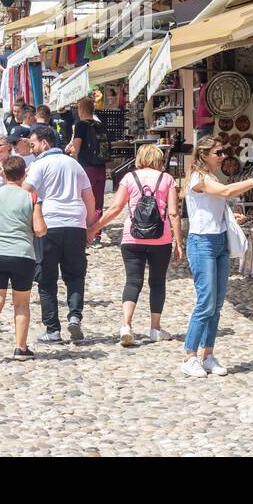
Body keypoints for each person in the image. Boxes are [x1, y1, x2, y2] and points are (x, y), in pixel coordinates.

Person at [181, 135, 253, 378]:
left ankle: (208, 354)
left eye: (222, 152)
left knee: (217, 304)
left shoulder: (210, 177)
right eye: (218, 153)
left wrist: (230, 217)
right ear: (204, 156)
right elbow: (227, 191)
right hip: (202, 244)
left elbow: (215, 202)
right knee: (206, 302)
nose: (222, 157)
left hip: (218, 241)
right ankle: (189, 355)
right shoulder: (199, 178)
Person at [91, 142, 182, 346]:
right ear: (157, 159)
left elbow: (115, 208)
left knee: (133, 281)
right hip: (161, 238)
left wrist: (95, 228)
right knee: (157, 282)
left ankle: (126, 325)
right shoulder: (167, 179)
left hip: (132, 237)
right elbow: (174, 213)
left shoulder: (129, 178)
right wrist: (178, 242)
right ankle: (155, 329)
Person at [25, 123, 96, 344]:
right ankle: (74, 316)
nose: (31, 149)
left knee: (46, 279)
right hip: (75, 223)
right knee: (75, 275)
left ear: (44, 143)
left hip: (49, 224)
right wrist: (89, 225)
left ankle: (53, 329)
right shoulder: (74, 164)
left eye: (33, 144)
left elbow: (25, 192)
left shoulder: (40, 165)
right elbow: (90, 198)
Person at [0, 155, 45, 363]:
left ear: (4, 174)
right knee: (21, 303)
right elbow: (39, 229)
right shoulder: (31, 197)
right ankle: (20, 348)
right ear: (24, 174)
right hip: (21, 254)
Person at [67, 97, 109, 244]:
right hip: (101, 168)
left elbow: (75, 149)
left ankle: (83, 234)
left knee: (84, 201)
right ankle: (96, 236)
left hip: (86, 169)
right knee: (98, 203)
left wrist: (69, 148)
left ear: (82, 110)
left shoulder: (80, 125)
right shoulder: (100, 125)